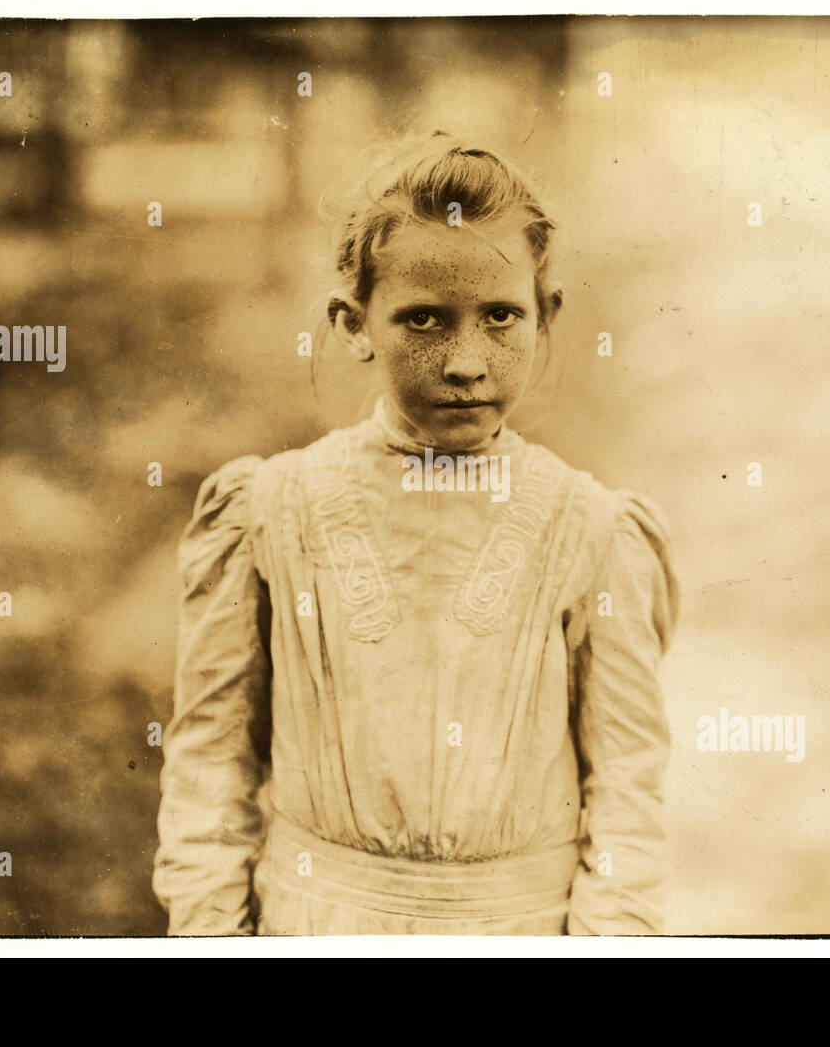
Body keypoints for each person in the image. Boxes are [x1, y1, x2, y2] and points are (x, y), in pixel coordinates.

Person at [153, 133, 677, 935]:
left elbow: (628, 788)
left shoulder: (591, 530)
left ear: (547, 315)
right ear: (356, 324)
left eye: (501, 317)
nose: (467, 362)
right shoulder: (272, 513)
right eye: (424, 320)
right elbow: (210, 767)